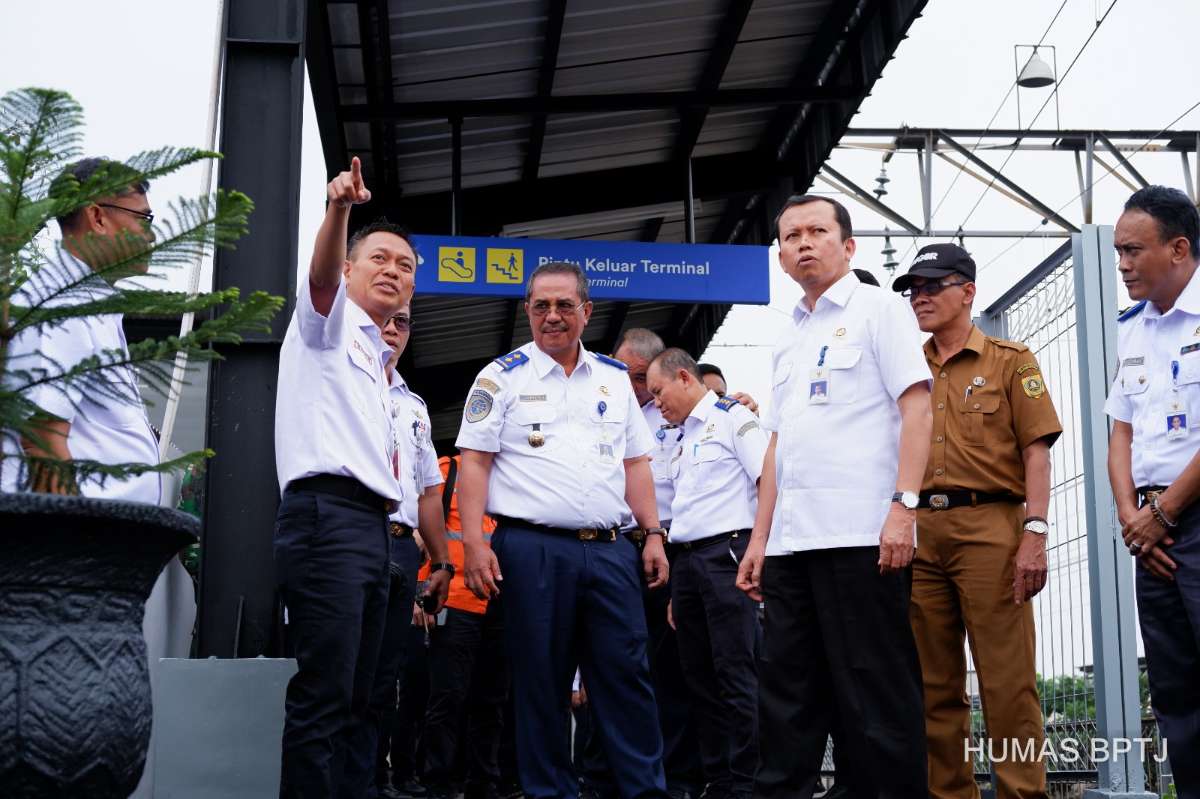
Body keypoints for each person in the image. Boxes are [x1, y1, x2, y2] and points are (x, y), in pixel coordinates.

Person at [735, 194, 933, 799]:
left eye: (817, 231)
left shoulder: (880, 310)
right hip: (791, 544)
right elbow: (777, 446)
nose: (803, 243)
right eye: (791, 235)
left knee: (873, 695)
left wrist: (903, 507)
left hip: (860, 536)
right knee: (786, 694)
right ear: (780, 256)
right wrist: (760, 540)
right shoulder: (787, 336)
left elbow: (918, 408)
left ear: (847, 246)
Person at [455, 261, 670, 799]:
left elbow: (635, 463)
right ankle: (550, 792)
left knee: (627, 677)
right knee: (540, 683)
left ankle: (643, 791)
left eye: (564, 305)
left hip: (611, 551)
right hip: (532, 550)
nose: (552, 316)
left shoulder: (614, 378)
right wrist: (475, 544)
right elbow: (474, 461)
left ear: (586, 311)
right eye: (541, 306)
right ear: (527, 311)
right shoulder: (500, 377)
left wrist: (653, 533)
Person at [273, 157, 450, 799]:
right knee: (325, 695)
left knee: (367, 698)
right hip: (327, 519)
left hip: (376, 531)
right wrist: (340, 208)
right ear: (350, 269)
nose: (393, 271)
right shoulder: (326, 321)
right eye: (379, 259)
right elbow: (320, 275)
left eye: (405, 266)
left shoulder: (381, 363)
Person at [893, 243, 1062, 799]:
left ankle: (1022, 793)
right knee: (934, 687)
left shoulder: (1010, 360)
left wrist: (1034, 532)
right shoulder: (905, 367)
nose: (919, 297)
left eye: (932, 286)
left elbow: (1037, 452)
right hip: (921, 531)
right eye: (913, 289)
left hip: (991, 529)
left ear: (967, 291)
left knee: (1007, 683)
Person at [1105, 185, 1200, 794]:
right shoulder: (1133, 329)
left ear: (1179, 248)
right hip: (1152, 529)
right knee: (1174, 688)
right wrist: (1133, 518)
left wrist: (1162, 513)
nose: (1123, 264)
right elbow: (1121, 432)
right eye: (1118, 252)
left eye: (1133, 250)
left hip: (1183, 515)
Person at [647, 347, 767, 799]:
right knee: (698, 677)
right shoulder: (680, 437)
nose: (656, 403)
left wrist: (759, 549)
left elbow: (767, 481)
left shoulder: (733, 418)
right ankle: (719, 779)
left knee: (736, 672)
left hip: (728, 554)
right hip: (688, 562)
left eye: (658, 392)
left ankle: (747, 782)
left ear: (684, 377)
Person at [2, 157, 159, 500]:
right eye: (143, 218)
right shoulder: (61, 303)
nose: (152, 235)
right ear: (98, 217)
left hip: (107, 525)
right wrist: (74, 530)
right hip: (81, 527)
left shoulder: (87, 302)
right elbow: (41, 438)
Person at [613, 328, 702, 799]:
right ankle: (607, 776)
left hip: (666, 545)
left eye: (637, 378)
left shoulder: (675, 412)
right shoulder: (602, 407)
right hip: (613, 547)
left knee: (671, 667)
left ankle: (677, 777)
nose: (630, 387)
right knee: (615, 662)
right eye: (622, 375)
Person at [370, 302, 452, 799]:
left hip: (403, 547)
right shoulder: (345, 380)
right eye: (385, 319)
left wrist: (441, 562)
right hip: (358, 533)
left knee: (387, 675)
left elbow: (428, 494)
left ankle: (377, 779)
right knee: (347, 672)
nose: (393, 329)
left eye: (402, 322)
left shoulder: (415, 405)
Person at [414, 453, 507, 799]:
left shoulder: (511, 473)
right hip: (455, 601)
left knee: (492, 699)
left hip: (500, 602)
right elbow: (429, 533)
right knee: (448, 697)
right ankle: (439, 782)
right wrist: (422, 593)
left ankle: (483, 782)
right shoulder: (447, 469)